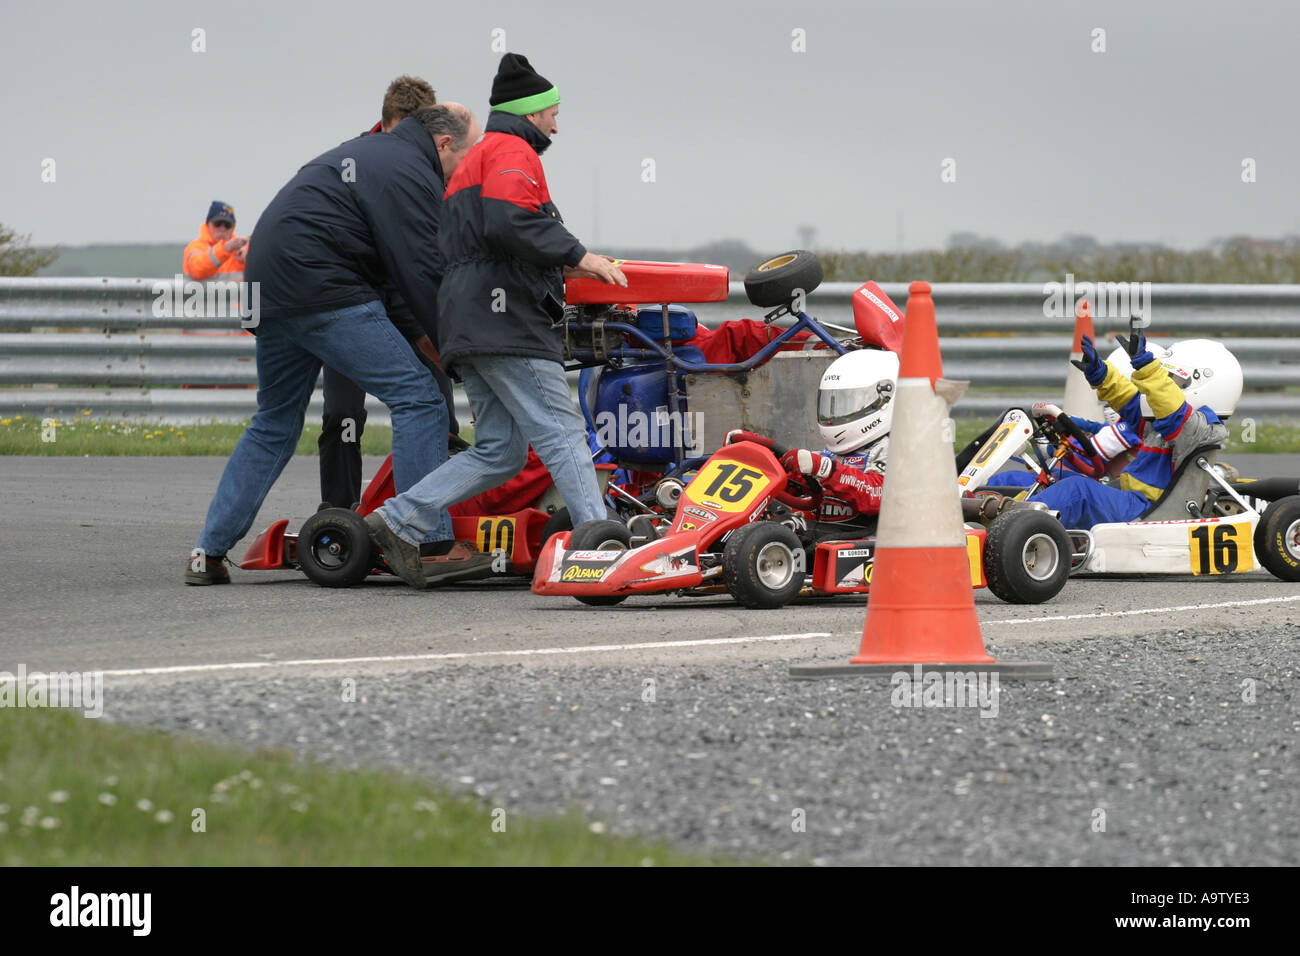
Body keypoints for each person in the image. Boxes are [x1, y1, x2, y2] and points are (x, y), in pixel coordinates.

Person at [185, 104, 488, 585]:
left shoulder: (371, 154)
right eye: (471, 153)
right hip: (322, 288)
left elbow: (394, 277)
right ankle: (425, 543)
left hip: (268, 291)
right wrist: (461, 350)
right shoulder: (413, 171)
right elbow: (422, 271)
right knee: (420, 399)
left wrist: (433, 342)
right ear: (445, 144)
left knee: (274, 422)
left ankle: (208, 552)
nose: (470, 167)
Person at [363, 52, 627, 590]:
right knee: (564, 434)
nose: (557, 125)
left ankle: (398, 517)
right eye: (553, 113)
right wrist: (581, 256)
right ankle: (603, 546)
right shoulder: (512, 150)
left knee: (500, 452)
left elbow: (488, 237)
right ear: (531, 113)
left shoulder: (475, 158)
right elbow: (511, 220)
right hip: (506, 324)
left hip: (468, 323)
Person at [318, 75, 463, 512]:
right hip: (352, 303)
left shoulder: (438, 168)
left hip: (409, 301)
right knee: (342, 416)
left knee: (440, 409)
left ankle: (440, 506)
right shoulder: (351, 161)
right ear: (387, 122)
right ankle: (338, 514)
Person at [990, 329, 1242, 528]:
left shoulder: (1202, 430)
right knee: (1028, 481)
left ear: (1207, 384)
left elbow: (1174, 413)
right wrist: (1102, 376)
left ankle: (1006, 527)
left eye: (1175, 379)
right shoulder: (1162, 425)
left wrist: (1148, 369)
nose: (1168, 383)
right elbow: (1131, 404)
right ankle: (987, 511)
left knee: (1078, 491)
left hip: (1148, 510)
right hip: (1131, 499)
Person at [730, 348, 898, 532]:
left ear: (884, 401)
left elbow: (877, 497)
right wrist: (770, 468)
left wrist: (824, 469)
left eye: (849, 403)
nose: (836, 413)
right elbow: (810, 491)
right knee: (763, 524)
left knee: (774, 532)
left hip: (863, 536)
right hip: (825, 533)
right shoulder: (835, 451)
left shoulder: (892, 448)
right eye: (834, 403)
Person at [182, 201, 247, 281]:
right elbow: (197, 270)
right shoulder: (194, 247)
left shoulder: (241, 251)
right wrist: (225, 249)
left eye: (227, 225)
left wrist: (247, 258)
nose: (222, 229)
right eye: (217, 224)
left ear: (233, 228)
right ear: (208, 224)